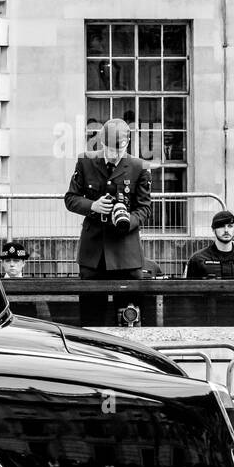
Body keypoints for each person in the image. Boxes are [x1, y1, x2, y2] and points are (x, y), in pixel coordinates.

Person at [64, 117, 152, 325]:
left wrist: (126, 220)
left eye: (119, 150)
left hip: (126, 254)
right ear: (101, 144)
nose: (114, 156)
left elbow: (145, 208)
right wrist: (92, 206)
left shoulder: (139, 166)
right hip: (93, 254)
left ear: (127, 144)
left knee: (130, 319)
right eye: (111, 150)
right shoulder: (85, 161)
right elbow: (70, 198)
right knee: (91, 319)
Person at [186, 211, 234, 280]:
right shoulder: (198, 259)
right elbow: (188, 289)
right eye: (221, 226)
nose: (226, 230)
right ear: (213, 230)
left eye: (230, 226)